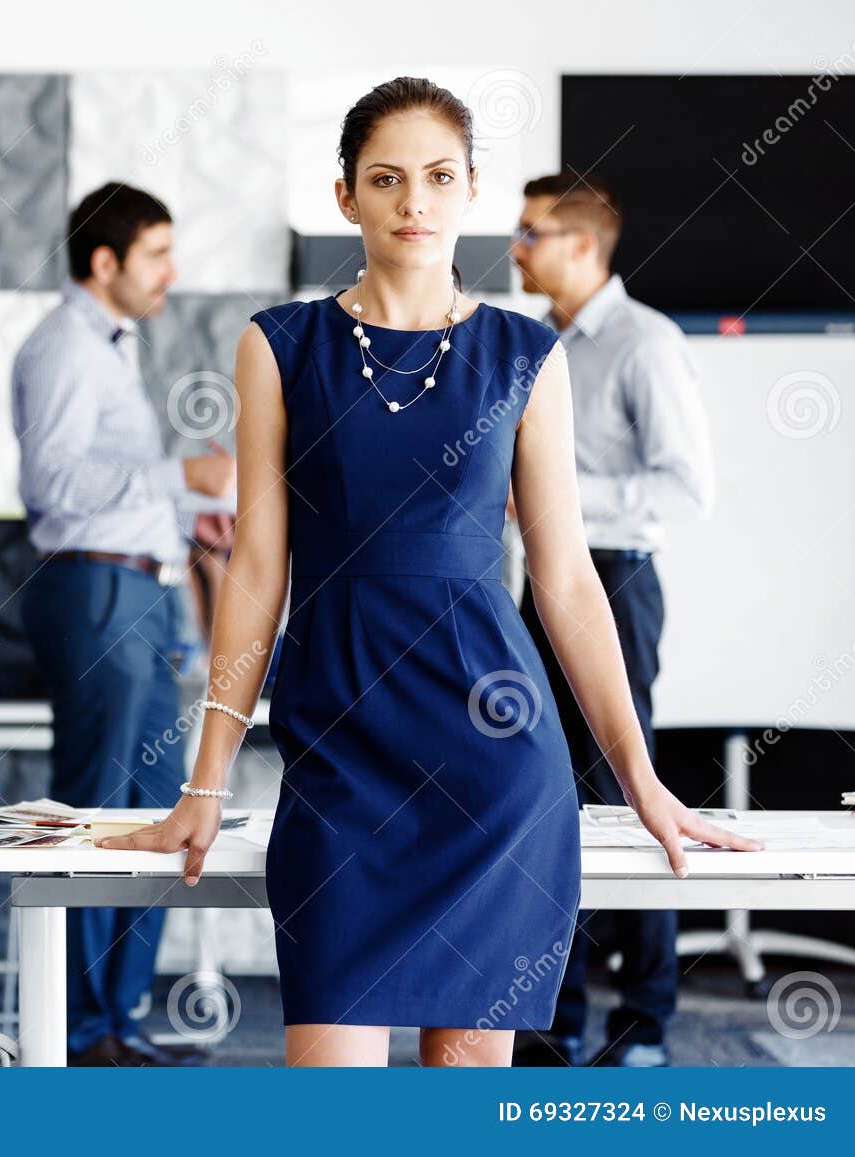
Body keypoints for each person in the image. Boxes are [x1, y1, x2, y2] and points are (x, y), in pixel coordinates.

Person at [95, 77, 761, 1068]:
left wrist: (637, 778)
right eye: (387, 177)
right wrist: (206, 779)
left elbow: (567, 579)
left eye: (438, 177)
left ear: (469, 193)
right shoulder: (279, 345)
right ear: (345, 198)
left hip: (493, 767)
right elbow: (255, 572)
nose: (414, 200)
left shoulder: (526, 354)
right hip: (339, 756)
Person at [12, 182, 237, 1067]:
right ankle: (71, 1032)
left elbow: (118, 487)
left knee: (153, 811)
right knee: (97, 812)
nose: (171, 274)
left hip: (141, 589)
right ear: (103, 262)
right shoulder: (64, 346)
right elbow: (55, 490)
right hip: (96, 595)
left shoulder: (111, 346)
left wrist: (187, 505)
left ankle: (116, 1024)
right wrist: (179, 470)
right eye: (157, 254)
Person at [507, 172, 717, 1067]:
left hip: (616, 585)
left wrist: (557, 499)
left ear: (583, 245)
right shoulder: (536, 345)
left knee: (631, 797)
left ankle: (645, 1022)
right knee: (544, 799)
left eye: (532, 233)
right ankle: (552, 1024)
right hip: (539, 586)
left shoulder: (643, 343)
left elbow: (686, 486)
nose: (516, 248)